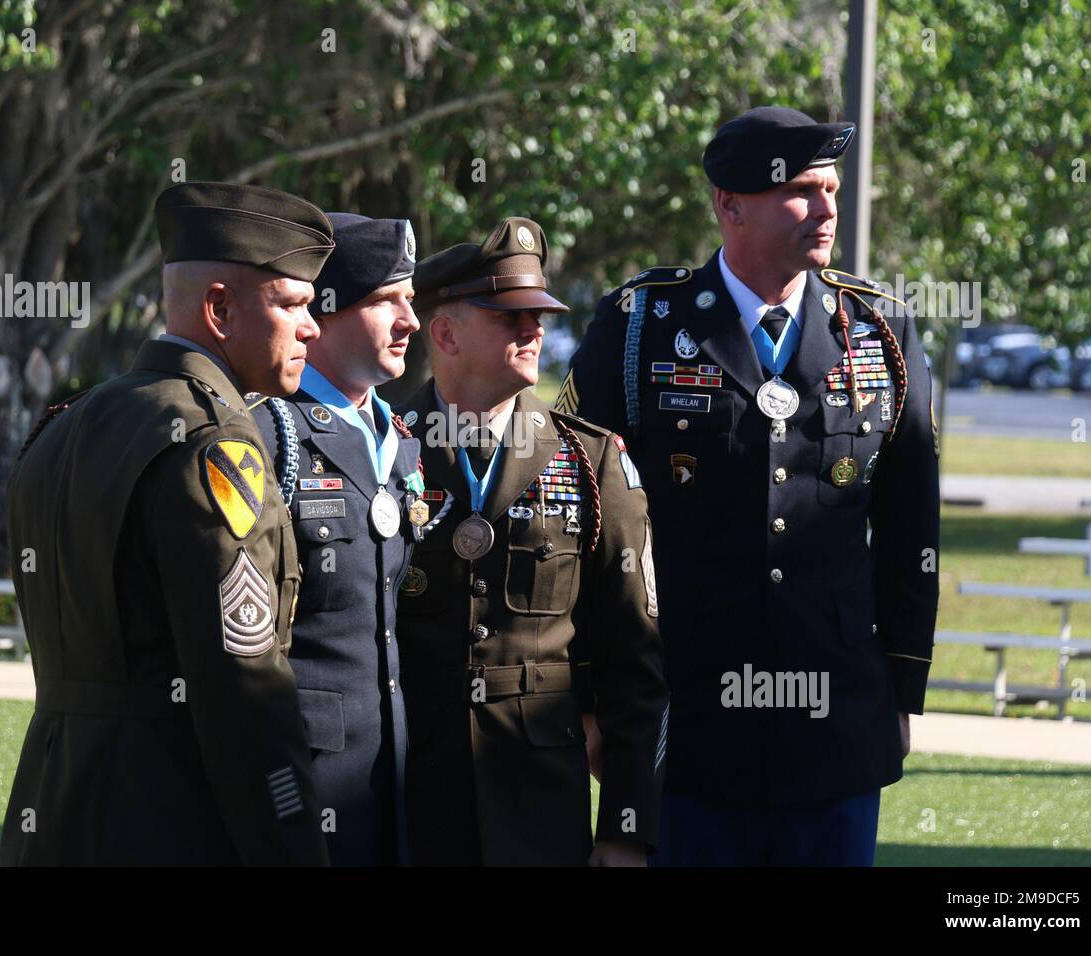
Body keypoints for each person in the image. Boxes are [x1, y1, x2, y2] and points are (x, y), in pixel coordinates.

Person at [559, 106, 940, 866]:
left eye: (831, 190)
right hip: (687, 718)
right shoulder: (640, 325)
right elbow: (582, 518)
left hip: (835, 718)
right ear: (729, 205)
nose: (827, 209)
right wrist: (591, 697)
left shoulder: (881, 329)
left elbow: (911, 528)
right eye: (801, 191)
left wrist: (902, 689)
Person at [0, 182, 335, 865]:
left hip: (51, 809)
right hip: (169, 821)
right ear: (219, 308)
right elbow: (245, 697)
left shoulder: (67, 423)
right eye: (293, 304)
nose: (313, 328)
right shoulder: (215, 444)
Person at [395, 217, 668, 866]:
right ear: (445, 334)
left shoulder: (591, 459)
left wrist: (626, 828)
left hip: (539, 807)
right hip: (407, 802)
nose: (533, 330)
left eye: (538, 315)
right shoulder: (382, 448)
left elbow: (637, 660)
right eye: (508, 316)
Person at [251, 213, 422, 865]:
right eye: (386, 301)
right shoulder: (268, 432)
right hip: (302, 782)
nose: (409, 320)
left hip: (390, 780)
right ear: (323, 312)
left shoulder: (401, 442)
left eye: (410, 300)